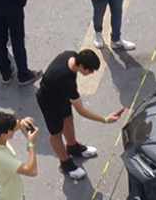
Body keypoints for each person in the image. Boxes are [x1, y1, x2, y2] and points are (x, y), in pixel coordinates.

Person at [36, 49, 123, 180]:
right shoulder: (66, 81)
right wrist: (104, 120)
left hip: (60, 94)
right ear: (82, 66)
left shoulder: (70, 55)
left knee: (68, 118)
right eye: (90, 70)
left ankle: (72, 147)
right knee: (56, 133)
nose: (92, 73)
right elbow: (82, 111)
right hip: (48, 101)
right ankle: (65, 163)